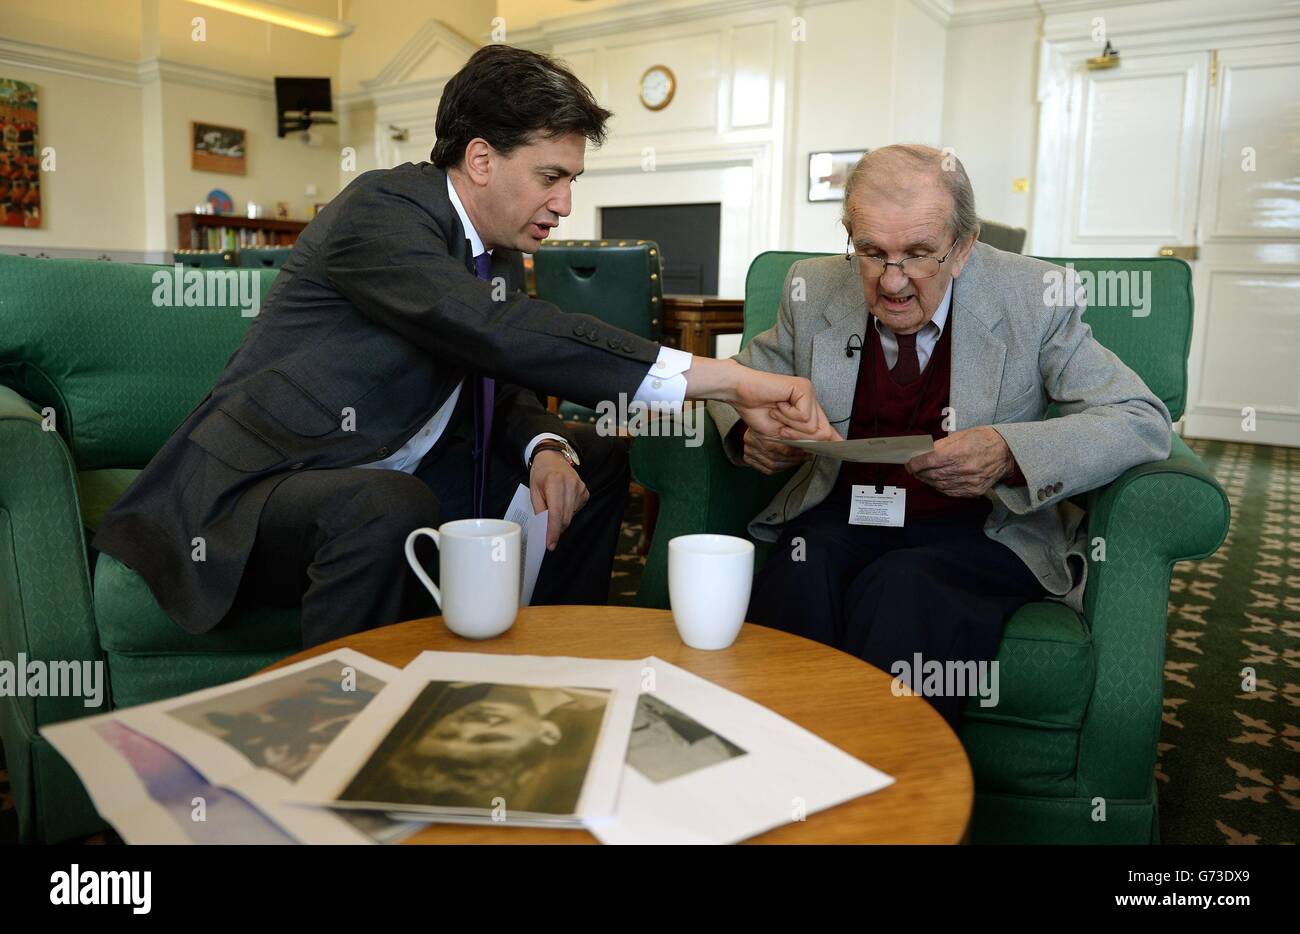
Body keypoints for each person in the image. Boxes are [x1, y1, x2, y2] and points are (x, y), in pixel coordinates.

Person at [95, 45, 829, 647]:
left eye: (572, 179)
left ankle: (552, 663)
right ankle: (341, 731)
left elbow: (490, 372)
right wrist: (728, 379)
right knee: (385, 504)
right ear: (481, 160)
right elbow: (490, 329)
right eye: (550, 177)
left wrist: (546, 444)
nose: (566, 203)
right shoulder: (380, 212)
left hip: (393, 472)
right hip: (260, 490)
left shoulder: (496, 248)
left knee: (594, 458)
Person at [708, 144, 1172, 728]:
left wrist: (1009, 452)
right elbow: (744, 380)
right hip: (844, 516)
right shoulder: (815, 286)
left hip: (979, 529)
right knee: (801, 568)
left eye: (919, 255)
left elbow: (1139, 417)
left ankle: (889, 791)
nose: (892, 282)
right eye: (872, 253)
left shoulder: (1034, 295)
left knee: (905, 588)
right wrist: (750, 432)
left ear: (965, 246)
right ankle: (774, 769)